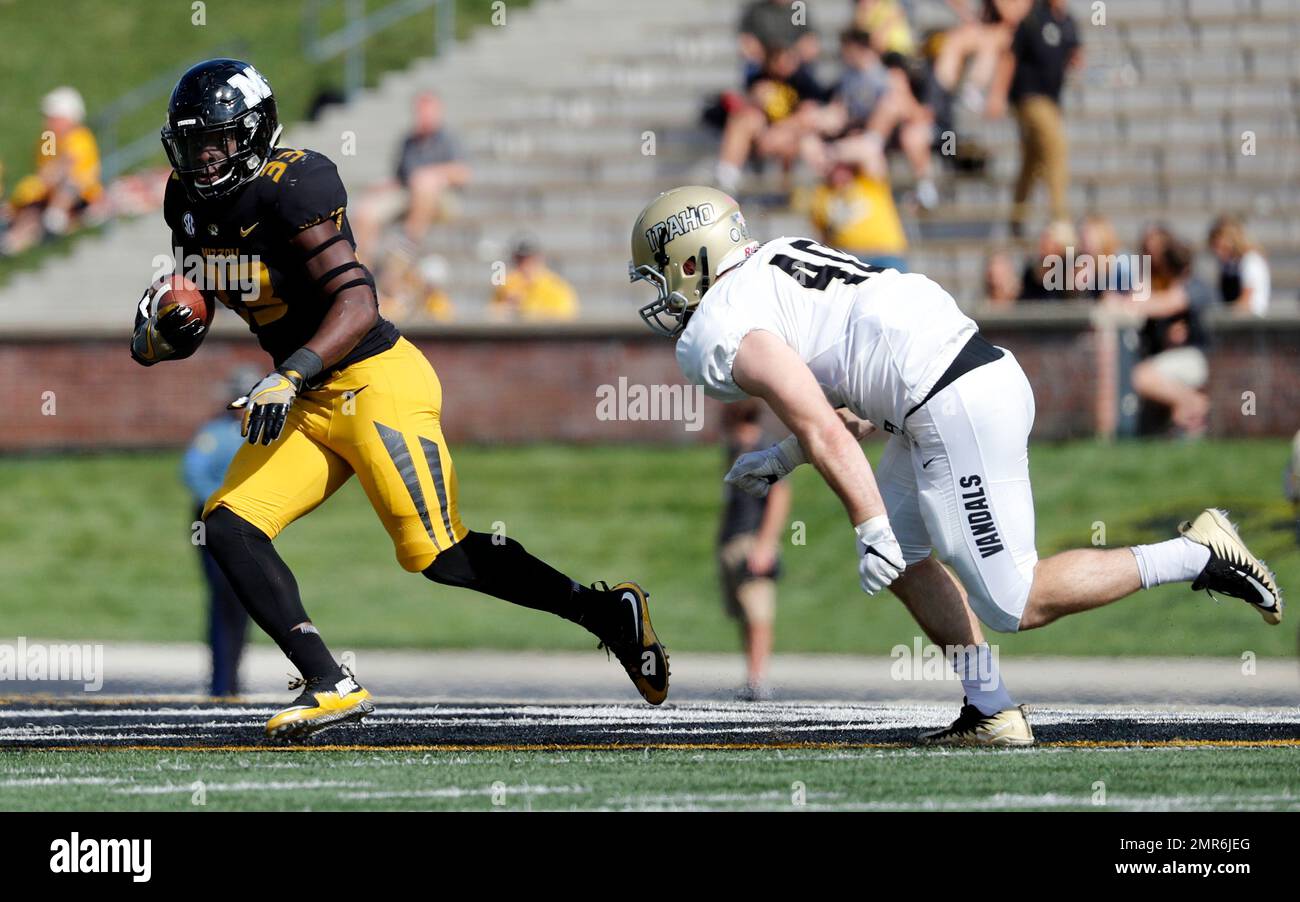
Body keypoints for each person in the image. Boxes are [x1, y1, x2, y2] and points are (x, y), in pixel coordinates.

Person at [133, 59, 668, 741]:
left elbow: (358, 300)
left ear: (255, 133)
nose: (204, 160)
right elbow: (201, 290)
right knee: (228, 524)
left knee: (439, 556)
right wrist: (163, 332)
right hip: (306, 393)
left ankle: (605, 614)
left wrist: (290, 374)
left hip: (371, 380)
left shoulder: (294, 184)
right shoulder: (185, 200)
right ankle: (330, 682)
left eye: (217, 142)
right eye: (192, 145)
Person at [629, 186, 1281, 746]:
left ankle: (1197, 554)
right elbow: (851, 396)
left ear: (692, 261)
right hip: (955, 387)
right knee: (911, 560)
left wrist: (868, 524)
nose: (661, 293)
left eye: (660, 274)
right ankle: (990, 708)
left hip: (950, 405)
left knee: (1014, 601)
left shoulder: (719, 323)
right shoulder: (778, 261)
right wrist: (782, 457)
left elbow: (824, 422)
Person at [182, 366, 260, 696]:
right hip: (216, 520)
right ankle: (221, 681)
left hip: (252, 522)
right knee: (224, 598)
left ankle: (232, 678)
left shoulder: (261, 433)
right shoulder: (214, 434)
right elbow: (193, 473)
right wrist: (224, 502)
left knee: (247, 602)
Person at [987, 0, 1082, 236]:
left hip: (1052, 99)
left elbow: (1075, 51)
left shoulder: (1068, 21)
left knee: (1032, 159)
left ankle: (1017, 217)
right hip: (1029, 97)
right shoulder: (1032, 18)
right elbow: (1010, 56)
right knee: (1056, 145)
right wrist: (997, 94)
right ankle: (1060, 219)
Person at [718, 400, 791, 699]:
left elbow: (779, 498)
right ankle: (751, 675)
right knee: (744, 615)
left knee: (758, 614)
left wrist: (764, 545)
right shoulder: (735, 452)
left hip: (753, 540)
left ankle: (758, 679)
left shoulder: (763, 450)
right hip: (733, 541)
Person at [351, 90, 470, 260]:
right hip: (407, 194)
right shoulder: (409, 140)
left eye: (428, 111)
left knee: (425, 182)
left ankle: (409, 243)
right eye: (420, 111)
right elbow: (400, 178)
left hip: (442, 198)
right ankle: (362, 265)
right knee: (366, 209)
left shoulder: (449, 138)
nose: (424, 116)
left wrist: (432, 174)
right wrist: (378, 187)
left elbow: (463, 173)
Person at [1, 87, 103, 255]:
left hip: (81, 195)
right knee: (29, 213)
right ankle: (11, 244)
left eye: (52, 117)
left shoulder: (79, 136)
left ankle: (54, 219)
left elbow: (67, 165)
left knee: (68, 184)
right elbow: (45, 170)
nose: (47, 121)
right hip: (50, 193)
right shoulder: (48, 139)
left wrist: (43, 181)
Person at [809, 160, 908, 272]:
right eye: (835, 169)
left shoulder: (869, 182)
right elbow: (823, 234)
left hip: (885, 254)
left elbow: (868, 153)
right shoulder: (823, 195)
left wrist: (834, 154)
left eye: (843, 169)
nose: (839, 174)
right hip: (849, 257)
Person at [491, 238, 579, 321]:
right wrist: (507, 307)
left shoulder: (555, 286)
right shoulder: (507, 285)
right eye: (519, 260)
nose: (523, 265)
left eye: (528, 260)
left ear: (539, 259)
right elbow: (491, 316)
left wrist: (527, 312)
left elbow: (565, 318)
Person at [1208, 215, 1270, 317]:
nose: (1218, 252)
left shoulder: (1250, 261)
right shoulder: (1228, 265)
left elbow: (1246, 302)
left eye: (1221, 247)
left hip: (1251, 321)